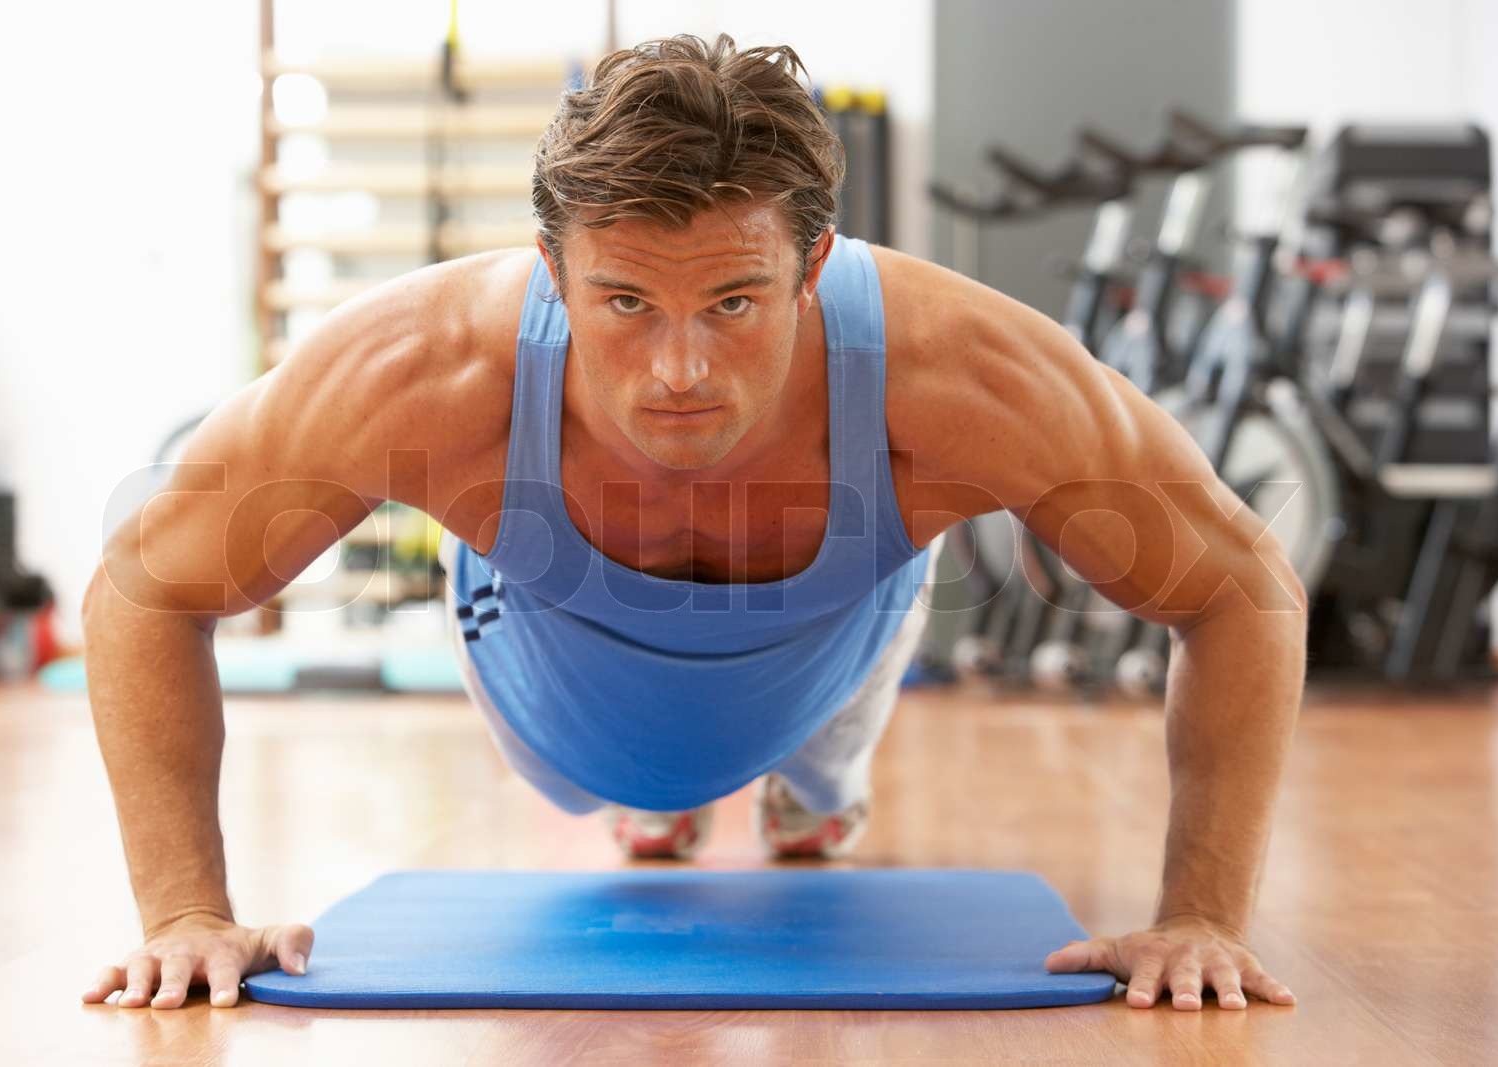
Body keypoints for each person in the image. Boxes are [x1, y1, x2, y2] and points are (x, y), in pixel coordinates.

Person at [81, 35, 1304, 1014]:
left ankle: (812, 782)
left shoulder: (966, 375)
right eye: (622, 301)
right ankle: (661, 798)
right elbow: (143, 585)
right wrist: (185, 908)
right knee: (617, 779)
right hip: (547, 647)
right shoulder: (425, 371)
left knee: (847, 662)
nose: (678, 367)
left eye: (733, 299)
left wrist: (1200, 910)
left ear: (812, 261)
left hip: (836, 618)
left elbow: (1239, 587)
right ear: (553, 272)